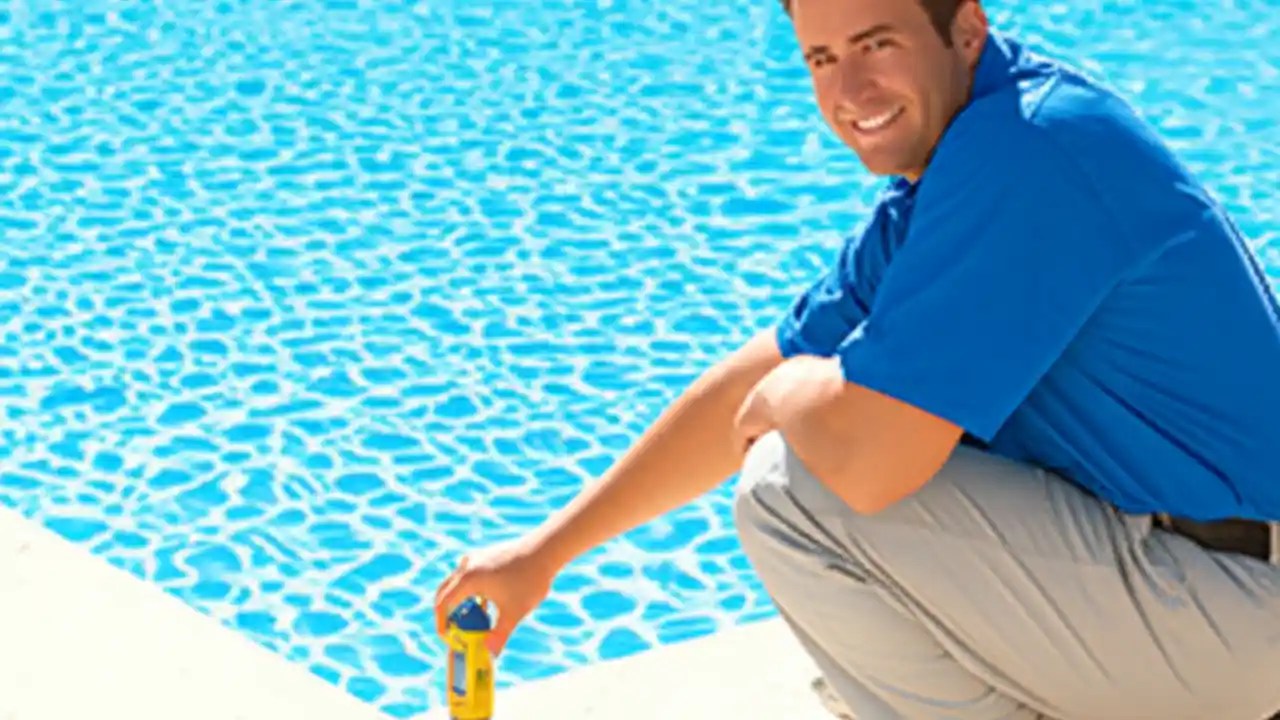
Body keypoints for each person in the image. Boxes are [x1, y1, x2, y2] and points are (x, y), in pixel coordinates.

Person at [435, 0, 1280, 717]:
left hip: (1240, 610)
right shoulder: (964, 163)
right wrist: (543, 554)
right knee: (860, 594)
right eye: (823, 59)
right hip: (1203, 589)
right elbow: (758, 369)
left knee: (792, 492)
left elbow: (869, 466)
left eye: (877, 44)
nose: (850, 92)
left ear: (967, 31)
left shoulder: (1028, 154)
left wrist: (796, 393)